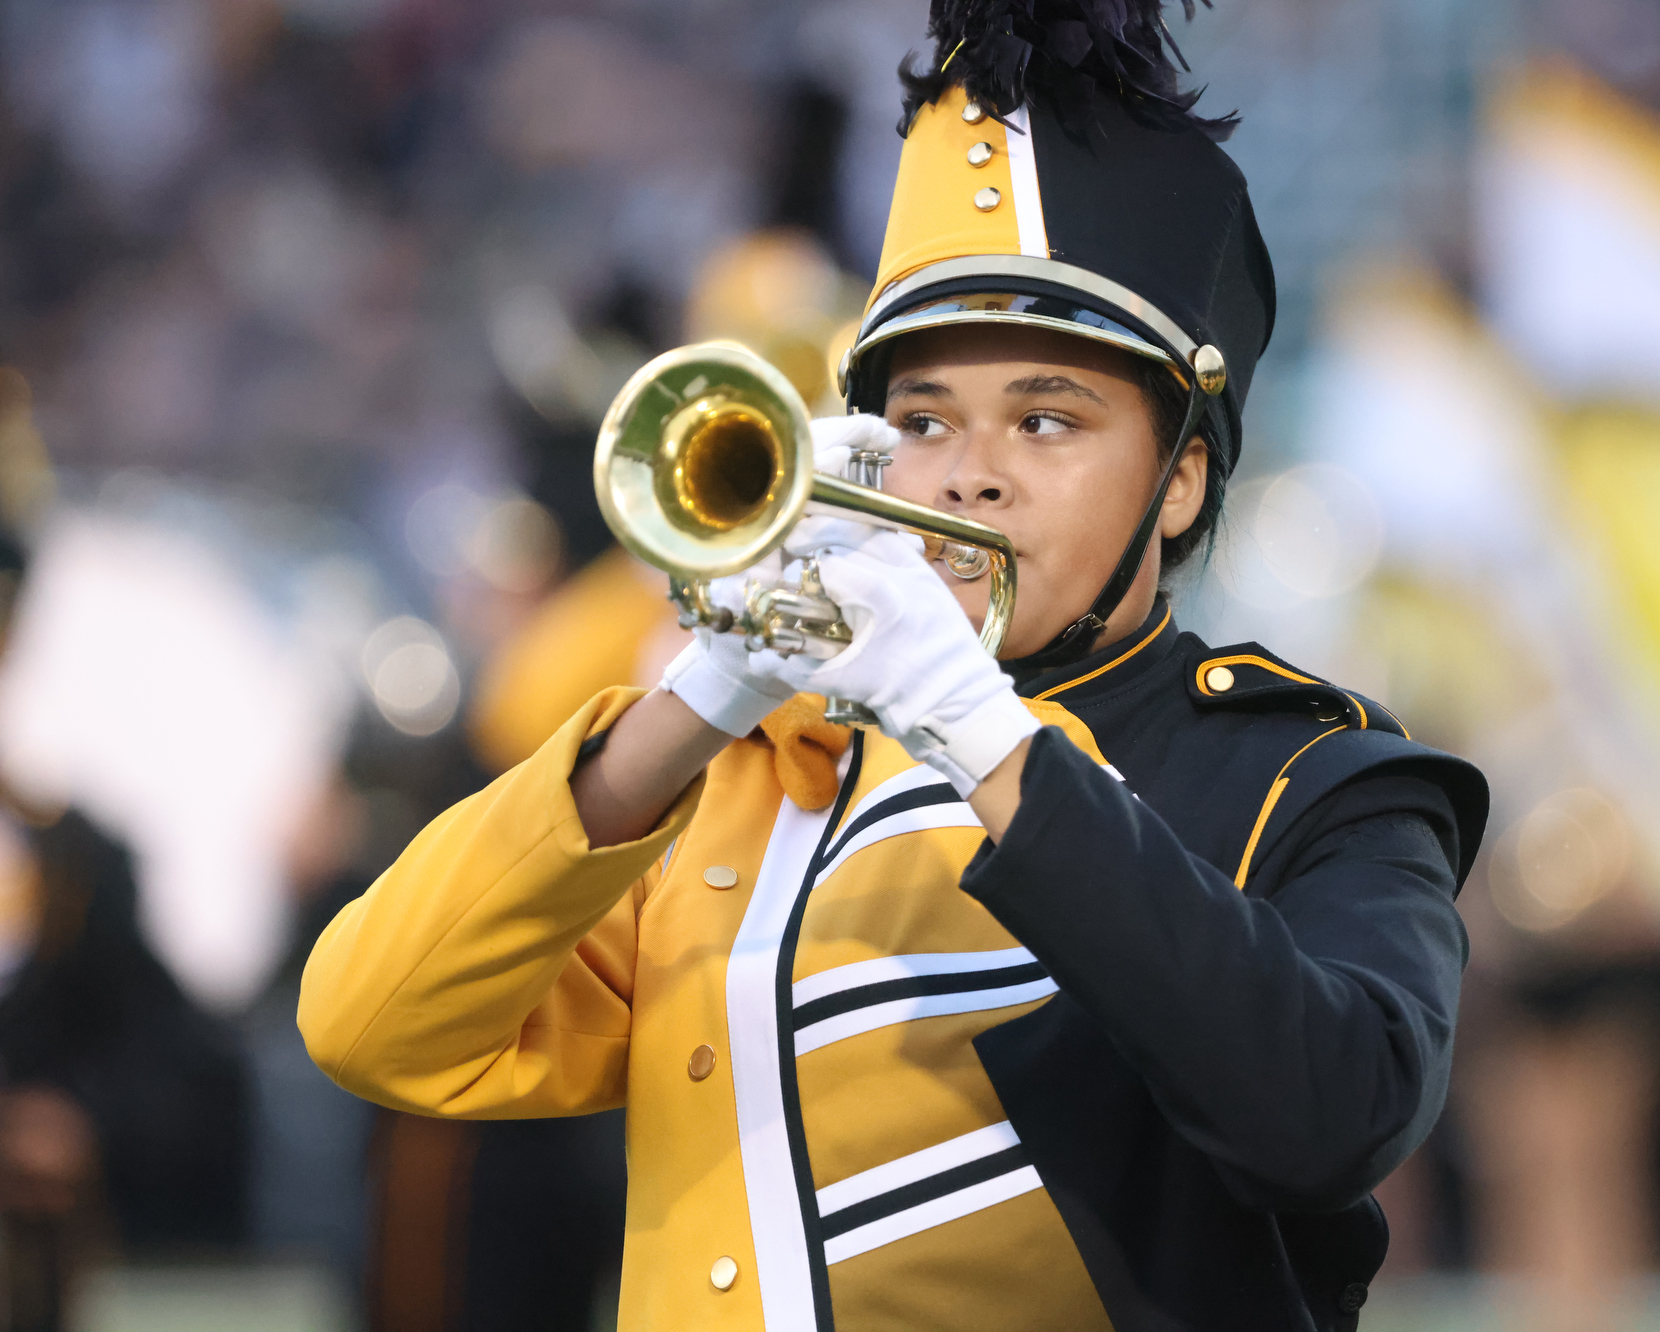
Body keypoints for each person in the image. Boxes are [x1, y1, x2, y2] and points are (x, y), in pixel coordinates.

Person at [299, 3, 1488, 1329]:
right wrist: (700, 699)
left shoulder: (1310, 777)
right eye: (922, 419)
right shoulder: (752, 787)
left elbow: (1329, 1119)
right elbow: (373, 1023)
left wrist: (977, 729)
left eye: (1046, 419)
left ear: (1179, 480)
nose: (970, 471)